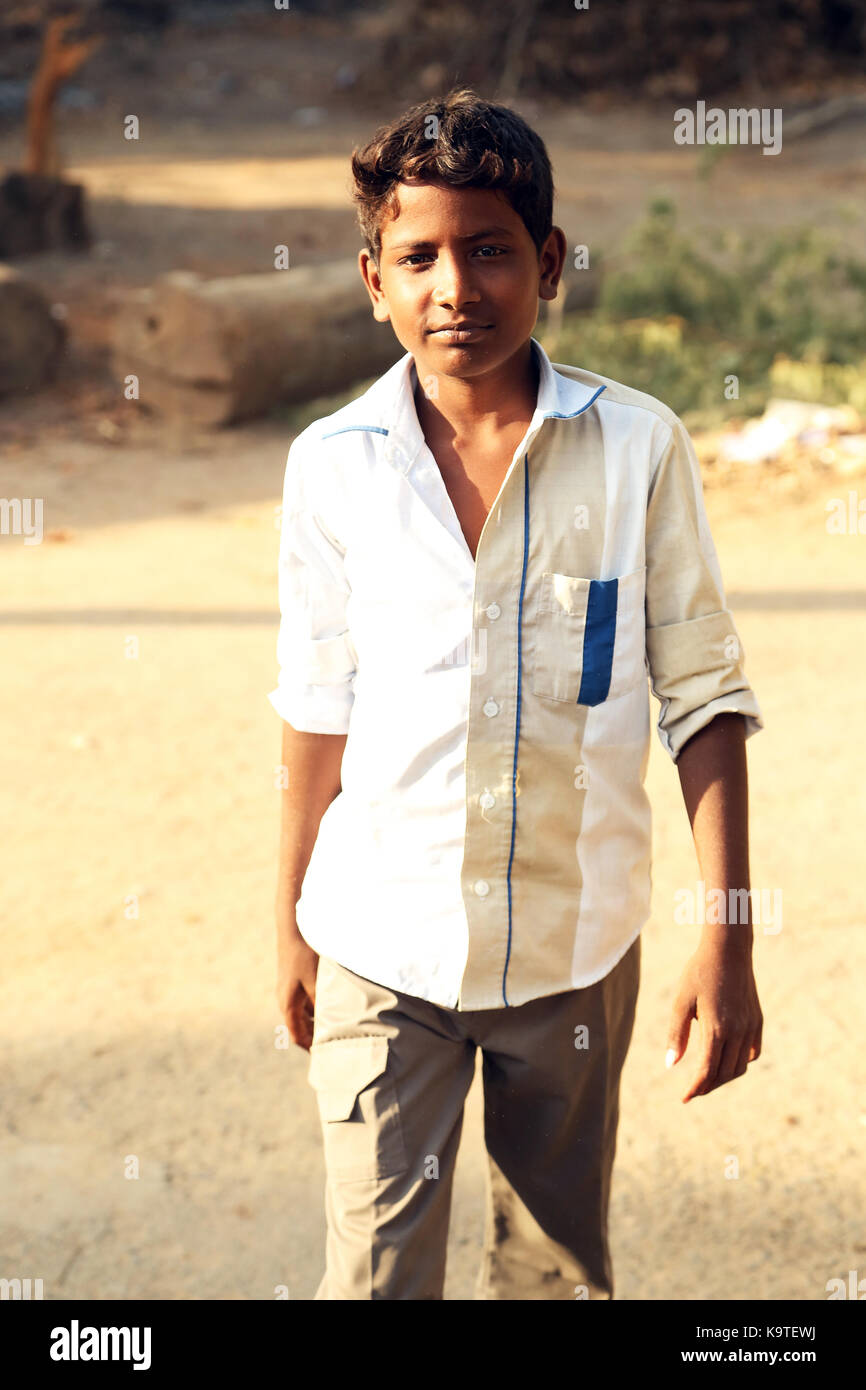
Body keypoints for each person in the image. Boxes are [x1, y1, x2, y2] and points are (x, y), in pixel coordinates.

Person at [269, 86, 765, 1301]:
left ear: (545, 260)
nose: (455, 287)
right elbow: (315, 707)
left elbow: (700, 695)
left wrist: (728, 938)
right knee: (375, 1276)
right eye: (418, 256)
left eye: (488, 249)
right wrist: (288, 917)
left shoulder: (637, 447)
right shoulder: (333, 469)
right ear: (370, 277)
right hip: (380, 949)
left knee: (554, 1273)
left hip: (575, 947)